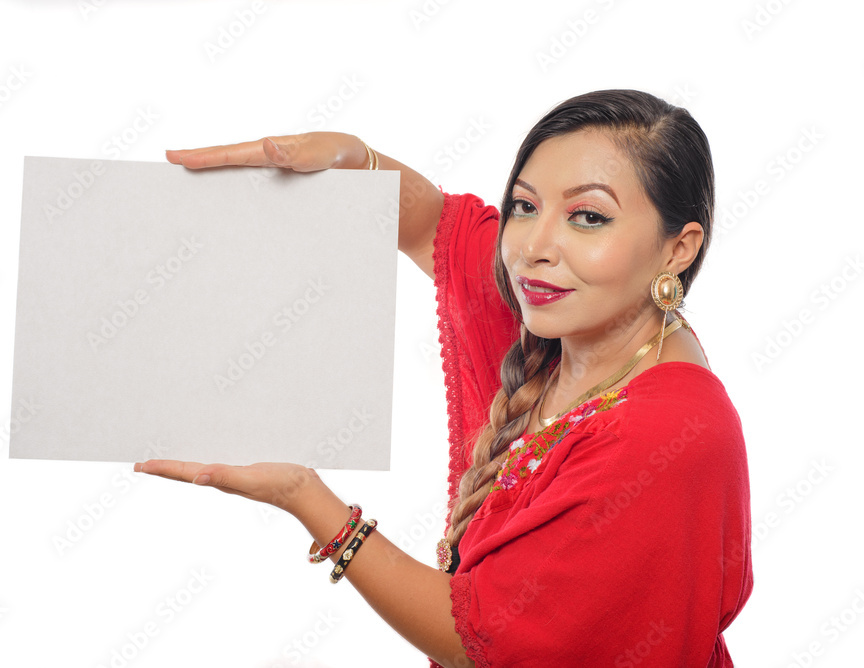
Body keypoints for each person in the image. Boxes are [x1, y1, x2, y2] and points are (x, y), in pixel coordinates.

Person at [134, 89, 753, 667]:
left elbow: (487, 637)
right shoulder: (572, 321)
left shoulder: (667, 432)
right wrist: (356, 160)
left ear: (679, 248)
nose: (534, 247)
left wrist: (307, 499)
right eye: (525, 206)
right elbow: (435, 227)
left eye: (588, 217)